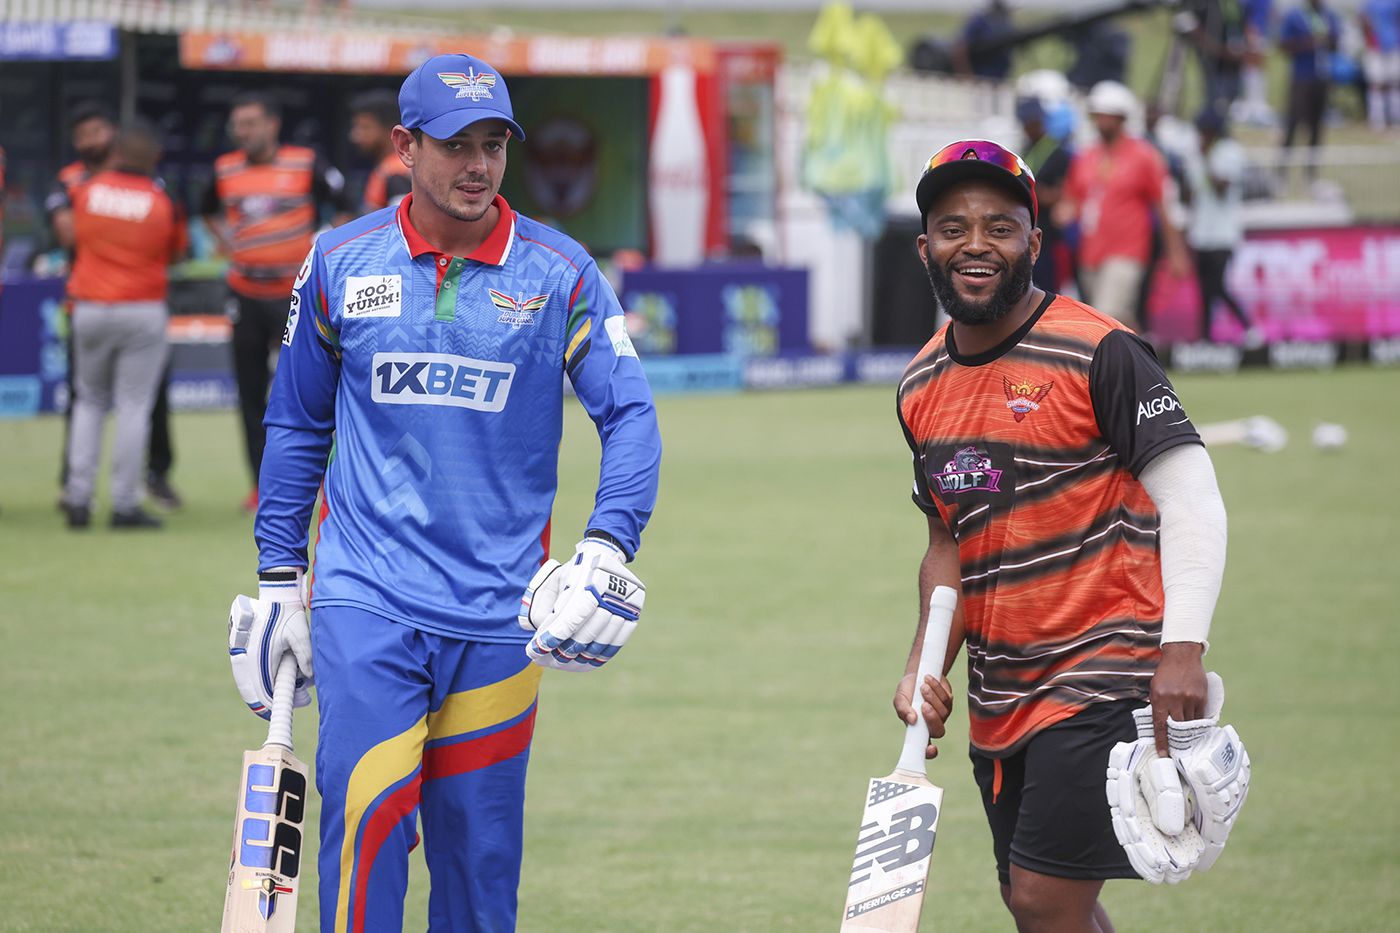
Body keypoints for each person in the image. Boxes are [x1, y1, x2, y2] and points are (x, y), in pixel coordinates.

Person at [224, 53, 661, 932]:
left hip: (504, 617)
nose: (477, 165)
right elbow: (297, 424)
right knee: (367, 831)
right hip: (367, 598)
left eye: (494, 144)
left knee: (478, 864)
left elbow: (633, 416)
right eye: (456, 143)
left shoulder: (561, 272)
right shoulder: (342, 262)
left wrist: (608, 543)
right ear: (404, 145)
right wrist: (280, 579)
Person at [895, 138, 1228, 930]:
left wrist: (1183, 648)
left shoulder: (1103, 351)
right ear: (924, 247)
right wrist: (922, 663)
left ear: (1035, 244)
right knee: (1031, 900)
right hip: (999, 688)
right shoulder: (918, 385)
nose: (976, 244)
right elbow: (948, 541)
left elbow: (1192, 498)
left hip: (1103, 673)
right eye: (952, 227)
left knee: (1047, 901)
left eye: (1000, 227)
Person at [199, 91, 351, 511]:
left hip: (294, 295)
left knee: (310, 391)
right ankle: (260, 485)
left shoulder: (305, 162)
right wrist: (231, 244)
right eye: (238, 125)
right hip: (244, 293)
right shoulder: (225, 169)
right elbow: (206, 210)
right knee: (250, 393)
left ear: (272, 125)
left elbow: (343, 208)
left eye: (250, 123)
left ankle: (324, 479)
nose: (243, 132)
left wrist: (324, 256)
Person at [46, 103, 184, 510]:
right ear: (154, 157)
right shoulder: (162, 203)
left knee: (87, 402)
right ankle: (125, 504)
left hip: (88, 306)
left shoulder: (84, 192)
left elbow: (70, 238)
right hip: (141, 309)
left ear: (116, 151)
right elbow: (176, 253)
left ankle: (78, 497)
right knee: (133, 407)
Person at [1058, 81, 1189, 330]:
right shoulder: (1086, 156)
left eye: (1107, 116)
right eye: (1097, 116)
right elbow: (1072, 198)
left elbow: (1165, 204)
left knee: (1106, 315)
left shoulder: (1144, 156)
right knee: (1119, 319)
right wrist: (1065, 211)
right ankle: (1141, 363)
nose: (1101, 122)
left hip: (1128, 251)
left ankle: (1103, 369)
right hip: (1090, 252)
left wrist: (1175, 251)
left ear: (1121, 118)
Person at [1183, 109, 1261, 345]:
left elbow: (1221, 188)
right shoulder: (1195, 154)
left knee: (1217, 285)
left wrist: (1206, 159)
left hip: (1223, 233)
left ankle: (1248, 326)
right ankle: (1205, 337)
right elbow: (1191, 194)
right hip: (1201, 233)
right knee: (1204, 289)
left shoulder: (1229, 152)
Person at [1278, 0, 1341, 185]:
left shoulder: (1329, 16)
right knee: (1292, 125)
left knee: (1317, 127)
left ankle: (1311, 174)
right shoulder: (1295, 16)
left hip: (1321, 78)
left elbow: (1336, 43)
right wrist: (1308, 43)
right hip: (1301, 78)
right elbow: (1283, 46)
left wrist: (1328, 41)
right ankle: (1281, 171)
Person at [1016, 96, 1072, 293]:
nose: (1028, 127)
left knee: (1048, 293)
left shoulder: (1058, 153)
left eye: (1032, 122)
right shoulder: (1025, 149)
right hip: (1025, 233)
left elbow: (1062, 195)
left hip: (1049, 237)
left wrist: (1032, 191)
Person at [349, 88, 412, 212]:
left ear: (390, 129)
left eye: (364, 127)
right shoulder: (385, 168)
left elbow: (401, 226)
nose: (355, 136)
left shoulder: (397, 173)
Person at [954, 0, 1016, 81]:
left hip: (999, 79)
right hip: (980, 79)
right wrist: (967, 77)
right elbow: (960, 49)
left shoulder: (1007, 23)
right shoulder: (979, 21)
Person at [1361, 0, 1400, 129]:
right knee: (1377, 83)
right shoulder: (1370, 3)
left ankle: (1395, 119)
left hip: (1394, 44)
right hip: (1376, 46)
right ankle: (1378, 120)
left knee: (1394, 83)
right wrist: (1370, 41)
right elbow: (1364, 21)